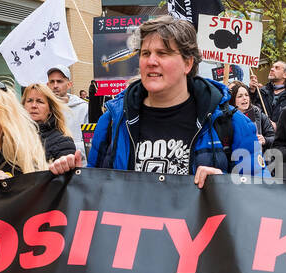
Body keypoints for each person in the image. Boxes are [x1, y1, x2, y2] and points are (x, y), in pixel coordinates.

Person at [88, 15, 265, 182]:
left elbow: (261, 192)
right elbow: (91, 188)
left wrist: (223, 183)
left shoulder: (231, 123)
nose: (151, 61)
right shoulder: (113, 121)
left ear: (187, 63)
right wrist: (66, 177)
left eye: (162, 53)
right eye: (145, 53)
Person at [22, 82, 78, 161]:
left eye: (39, 101)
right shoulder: (14, 136)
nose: (33, 105)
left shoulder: (63, 142)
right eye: (29, 101)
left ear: (50, 109)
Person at [45, 67, 88, 149]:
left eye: (59, 81)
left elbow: (89, 143)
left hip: (76, 159)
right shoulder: (42, 108)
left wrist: (67, 148)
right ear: (47, 85)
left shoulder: (83, 108)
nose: (55, 86)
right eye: (52, 81)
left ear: (69, 84)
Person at [227, 81, 274, 146]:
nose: (244, 98)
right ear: (232, 99)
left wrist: (265, 140)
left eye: (246, 95)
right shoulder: (226, 118)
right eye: (240, 96)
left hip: (259, 154)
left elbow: (273, 137)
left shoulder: (258, 114)